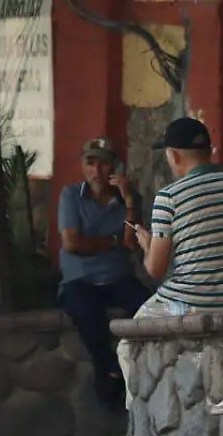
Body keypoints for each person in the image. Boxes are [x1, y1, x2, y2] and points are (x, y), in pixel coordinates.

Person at [123, 117, 223, 401]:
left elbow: (155, 270)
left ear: (174, 155)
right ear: (209, 151)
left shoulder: (169, 197)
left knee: (128, 341)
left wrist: (147, 245)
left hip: (188, 305)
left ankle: (138, 416)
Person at [57, 138, 152, 409]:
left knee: (149, 310)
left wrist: (130, 201)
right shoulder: (70, 196)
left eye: (103, 163)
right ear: (83, 166)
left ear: (114, 167)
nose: (97, 170)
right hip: (80, 280)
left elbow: (131, 243)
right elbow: (72, 244)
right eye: (90, 162)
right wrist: (111, 242)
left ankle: (140, 373)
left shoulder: (127, 200)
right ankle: (110, 369)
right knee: (85, 312)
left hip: (118, 278)